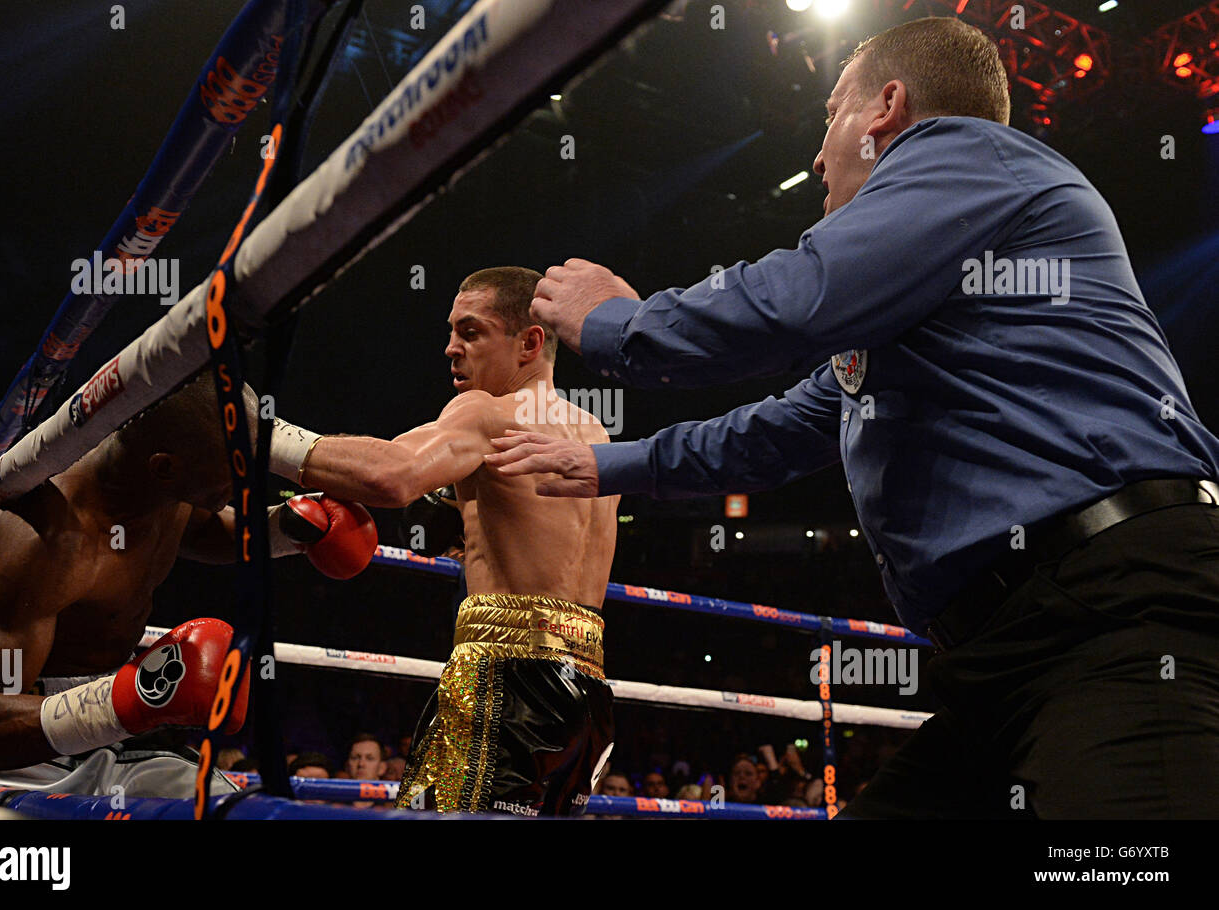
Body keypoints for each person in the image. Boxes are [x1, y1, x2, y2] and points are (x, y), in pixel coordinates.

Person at [488, 17, 1219, 819]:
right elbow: (787, 428)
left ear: (886, 110)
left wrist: (615, 324)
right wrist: (613, 465)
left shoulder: (966, 155)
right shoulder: (921, 292)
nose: (815, 154)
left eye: (829, 114)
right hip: (1012, 648)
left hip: (1121, 614)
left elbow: (798, 299)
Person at [270, 267, 619, 816]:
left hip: (506, 679)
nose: (451, 348)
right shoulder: (594, 434)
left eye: (471, 332)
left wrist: (256, 433)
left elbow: (391, 473)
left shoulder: (485, 413)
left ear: (529, 342)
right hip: (587, 691)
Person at [0, 371, 376, 799]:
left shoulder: (165, 491)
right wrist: (132, 700)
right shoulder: (43, 538)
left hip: (118, 738)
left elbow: (204, 528)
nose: (241, 485)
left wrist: (285, 531)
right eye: (231, 472)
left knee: (238, 813)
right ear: (164, 467)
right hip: (26, 753)